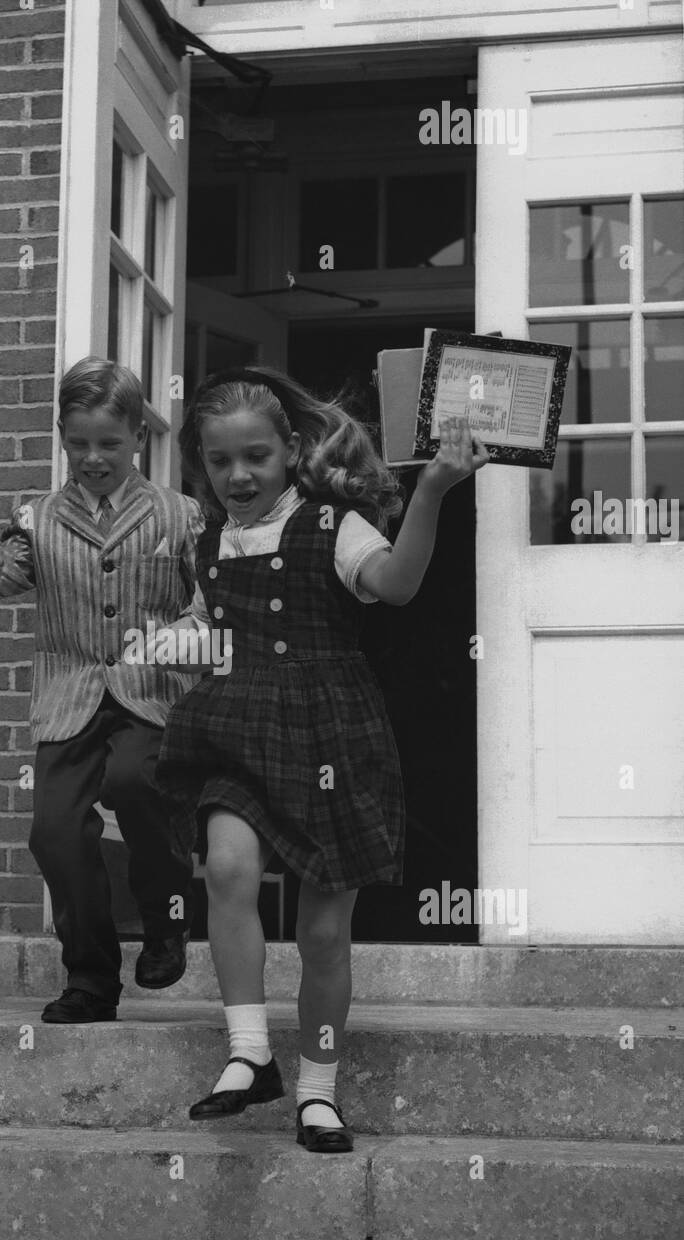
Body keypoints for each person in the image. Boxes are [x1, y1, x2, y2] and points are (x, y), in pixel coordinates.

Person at [153, 366, 489, 1150]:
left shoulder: (335, 525)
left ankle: (317, 1091)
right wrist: (159, 645)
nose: (238, 476)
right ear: (202, 463)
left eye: (257, 458)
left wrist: (435, 488)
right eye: (220, 461)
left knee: (324, 934)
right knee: (229, 868)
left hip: (332, 735)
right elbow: (206, 628)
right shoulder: (206, 541)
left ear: (290, 450)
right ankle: (248, 1053)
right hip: (237, 730)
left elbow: (399, 586)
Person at [0, 357, 205, 1023]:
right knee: (54, 835)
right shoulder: (38, 518)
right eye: (79, 442)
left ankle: (165, 918)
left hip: (149, 693)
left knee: (136, 784)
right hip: (68, 696)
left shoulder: (182, 515)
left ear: (139, 436)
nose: (93, 457)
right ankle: (90, 977)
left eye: (109, 444)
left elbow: (207, 609)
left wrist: (178, 638)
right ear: (61, 436)